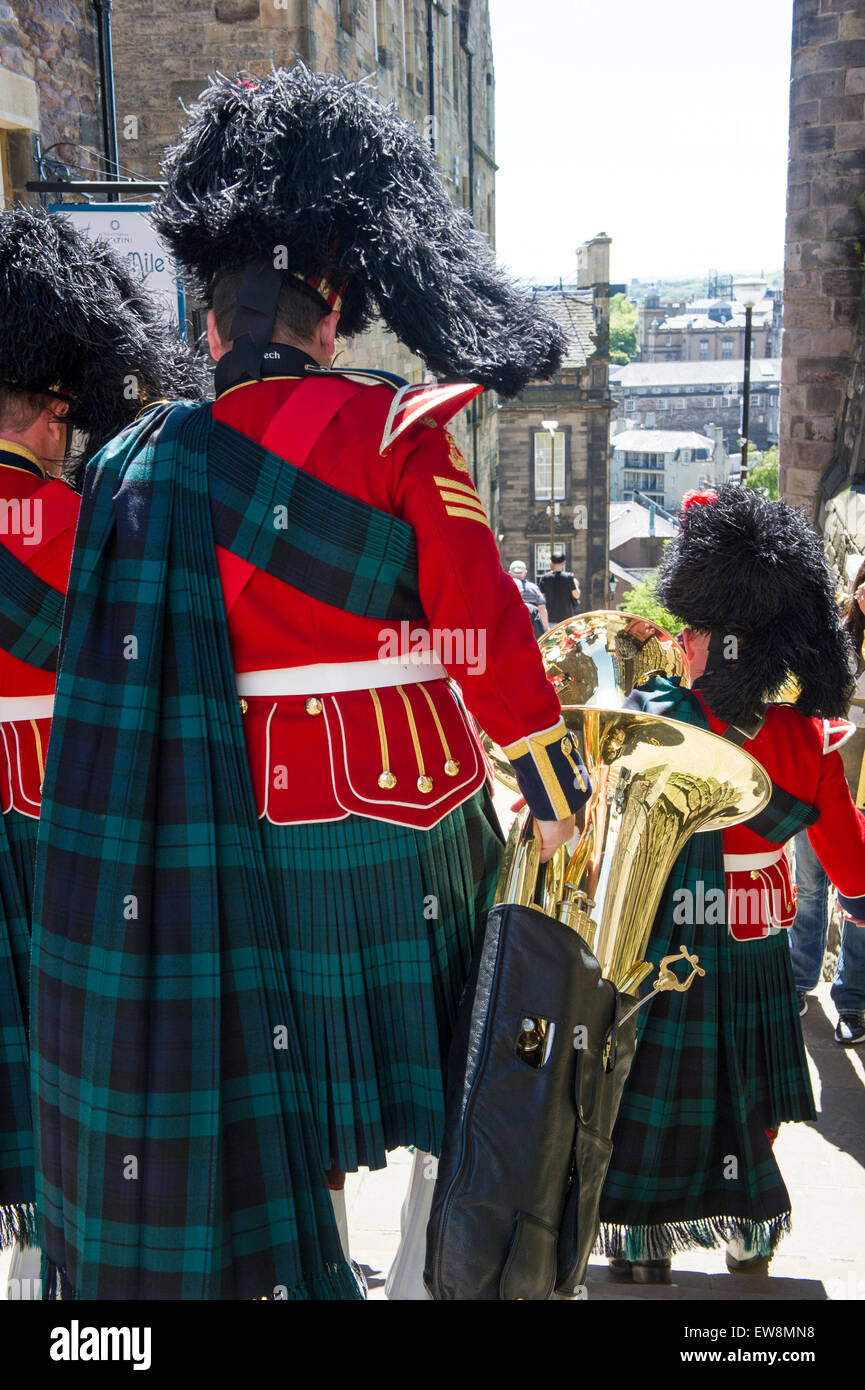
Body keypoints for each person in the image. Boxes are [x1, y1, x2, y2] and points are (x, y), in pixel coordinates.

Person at [30, 66, 590, 1299]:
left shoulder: (135, 461)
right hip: (405, 827)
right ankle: (439, 1269)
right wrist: (551, 777)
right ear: (329, 311)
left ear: (207, 315)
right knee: (464, 1075)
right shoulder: (396, 431)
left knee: (287, 1108)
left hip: (229, 840)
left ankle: (308, 1268)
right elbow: (483, 631)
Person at [0, 204, 205, 1291]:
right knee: (73, 1046)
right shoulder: (91, 526)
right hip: (70, 811)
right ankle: (61, 1253)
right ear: (51, 415)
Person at [598, 484, 865, 1283]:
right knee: (748, 1096)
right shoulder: (805, 739)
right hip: (754, 941)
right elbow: (850, 863)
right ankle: (747, 1232)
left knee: (650, 1082)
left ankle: (641, 1239)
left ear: (706, 644)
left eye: (690, 633)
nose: (680, 644)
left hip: (661, 937)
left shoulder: (652, 716)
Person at [789, 559, 865, 1046]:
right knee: (811, 880)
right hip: (828, 768)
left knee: (860, 902)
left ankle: (853, 1001)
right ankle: (799, 980)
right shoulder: (837, 637)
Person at [538, 550, 580, 627]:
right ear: (564, 563)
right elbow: (576, 595)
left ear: (551, 563)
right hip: (566, 618)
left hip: (550, 618)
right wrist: (576, 584)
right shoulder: (569, 577)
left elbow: (542, 599)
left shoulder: (544, 578)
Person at [508, 559, 548, 635]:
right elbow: (542, 608)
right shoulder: (533, 589)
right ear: (525, 573)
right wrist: (546, 629)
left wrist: (482, 647)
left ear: (509, 573)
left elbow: (482, 630)